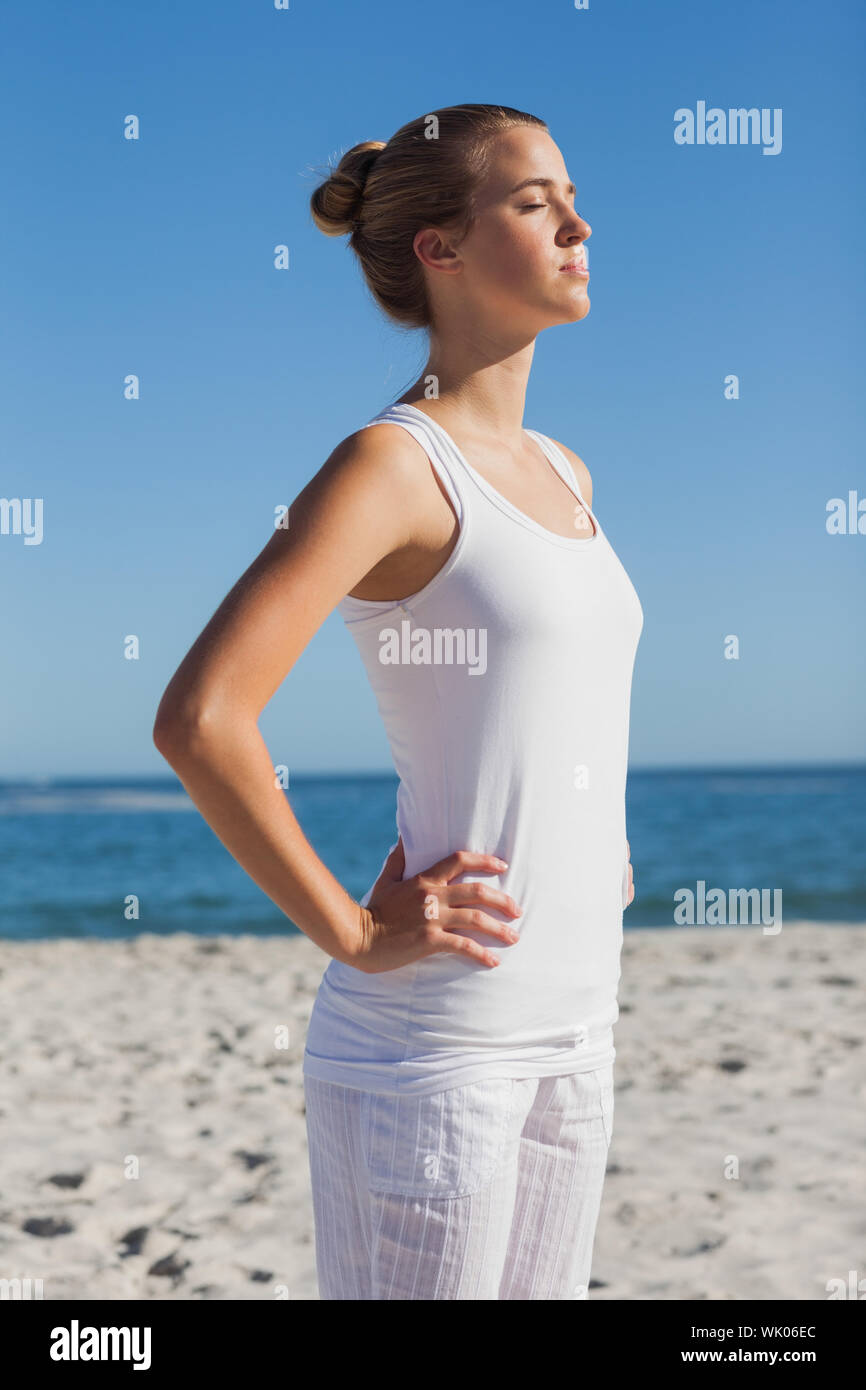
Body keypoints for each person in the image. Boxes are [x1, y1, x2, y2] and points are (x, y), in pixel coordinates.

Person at [153, 103, 643, 1301]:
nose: (579, 223)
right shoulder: (394, 465)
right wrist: (353, 929)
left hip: (576, 1031)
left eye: (570, 196)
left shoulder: (567, 470)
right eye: (533, 203)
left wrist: (600, 851)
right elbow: (203, 715)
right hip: (433, 1057)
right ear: (439, 247)